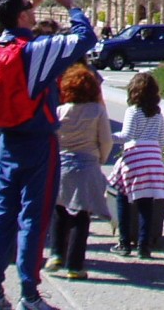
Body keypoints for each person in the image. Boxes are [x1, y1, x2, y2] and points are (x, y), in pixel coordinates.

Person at [0, 0, 96, 310]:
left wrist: (27, 3)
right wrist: (70, 5)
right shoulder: (35, 49)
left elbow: (12, 19)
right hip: (38, 144)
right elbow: (85, 39)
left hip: (4, 144)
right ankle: (29, 292)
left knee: (1, 218)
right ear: (25, 15)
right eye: (29, 8)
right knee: (33, 218)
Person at [47, 64, 113, 280]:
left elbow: (53, 140)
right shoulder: (97, 111)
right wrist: (100, 159)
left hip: (63, 164)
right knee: (81, 215)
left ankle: (56, 253)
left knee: (60, 209)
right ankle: (75, 266)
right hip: (87, 164)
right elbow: (106, 140)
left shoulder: (60, 111)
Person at [108, 71, 164, 259]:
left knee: (122, 196)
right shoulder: (158, 114)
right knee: (146, 202)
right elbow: (161, 141)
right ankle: (144, 247)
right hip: (153, 157)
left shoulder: (133, 111)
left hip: (135, 156)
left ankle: (124, 243)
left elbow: (127, 136)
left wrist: (106, 137)